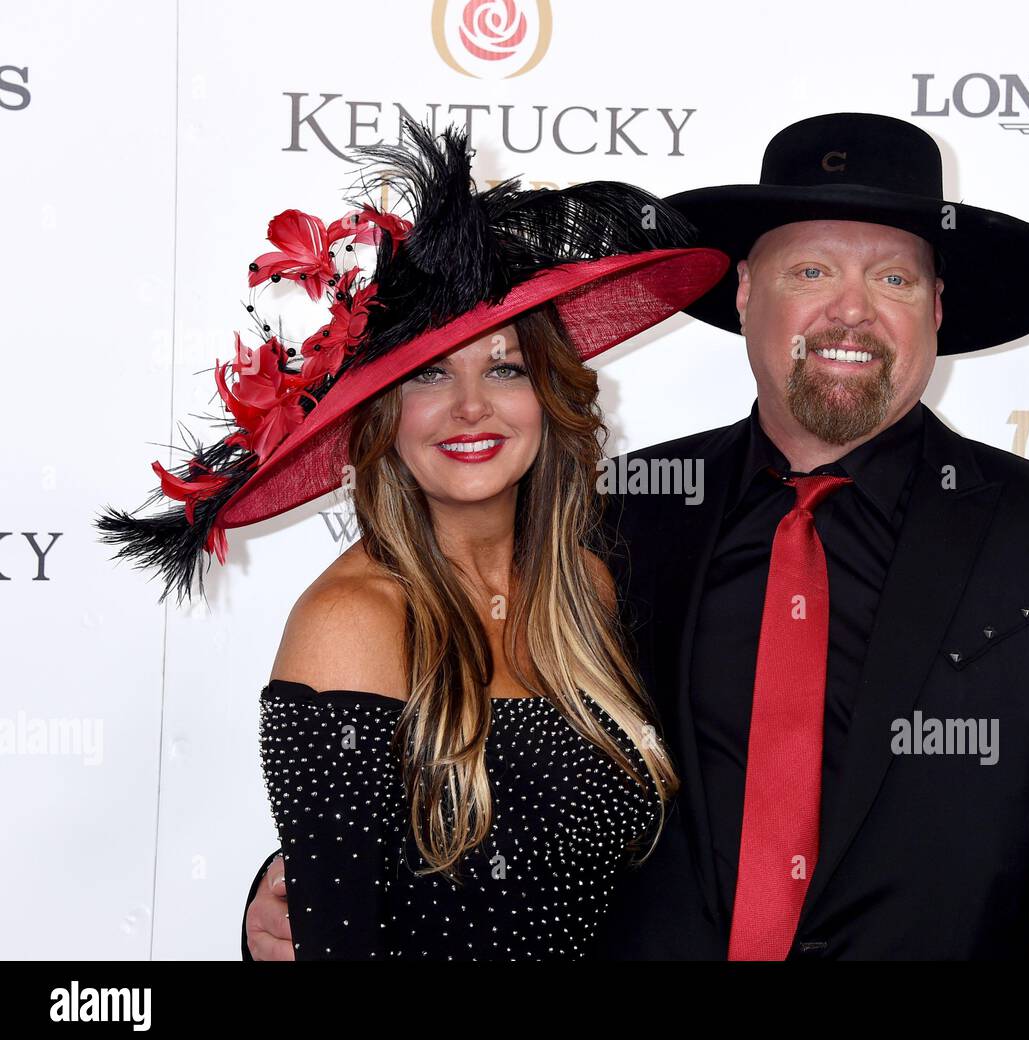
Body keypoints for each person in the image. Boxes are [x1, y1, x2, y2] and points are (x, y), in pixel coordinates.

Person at [243, 112, 1029, 961]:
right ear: (744, 294)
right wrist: (294, 892)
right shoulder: (610, 527)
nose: (850, 309)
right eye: (811, 270)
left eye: (893, 275)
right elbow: (495, 779)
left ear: (936, 310)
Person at [96, 118, 727, 959]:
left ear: (550, 394)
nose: (472, 406)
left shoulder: (587, 587)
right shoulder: (352, 623)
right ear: (383, 415)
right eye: (430, 374)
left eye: (504, 367)